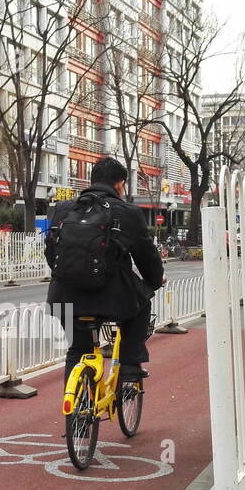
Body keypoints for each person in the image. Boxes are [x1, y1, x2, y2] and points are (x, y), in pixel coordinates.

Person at [45, 157, 165, 382]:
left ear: (93, 180)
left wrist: (71, 275)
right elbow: (146, 256)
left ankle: (76, 414)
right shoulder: (128, 212)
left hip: (65, 297)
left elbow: (52, 253)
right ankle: (130, 365)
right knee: (142, 304)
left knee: (77, 351)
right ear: (119, 184)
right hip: (112, 299)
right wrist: (155, 281)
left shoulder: (63, 210)